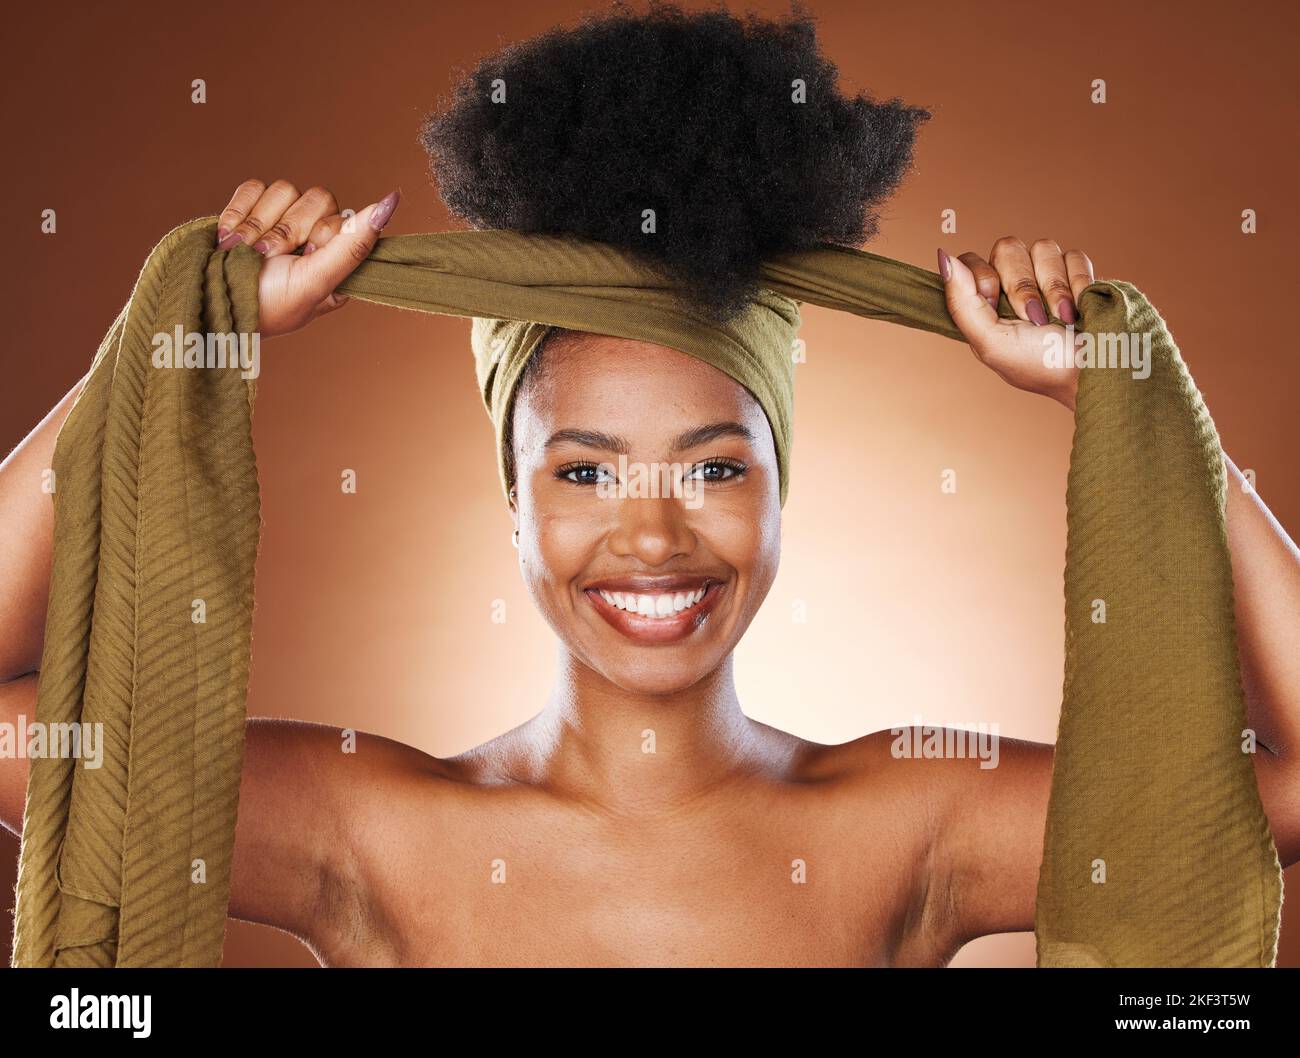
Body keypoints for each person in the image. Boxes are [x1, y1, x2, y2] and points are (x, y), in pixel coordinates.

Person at [3, 3, 1298, 967]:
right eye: (584, 467)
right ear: (509, 496)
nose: (654, 533)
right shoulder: (361, 823)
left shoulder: (921, 817)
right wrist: (176, 344)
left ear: (784, 482)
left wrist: (1137, 411)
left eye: (714, 464)